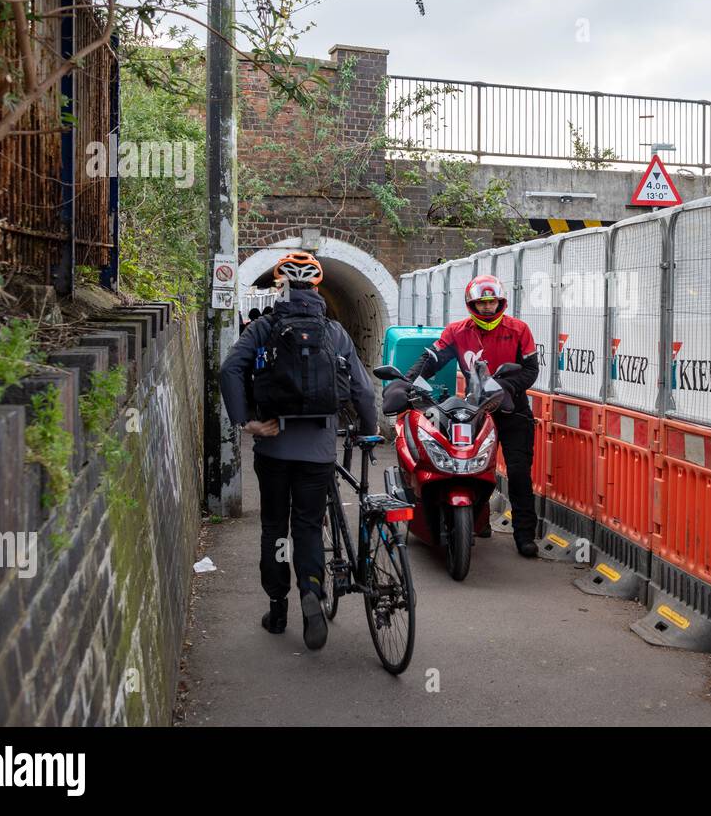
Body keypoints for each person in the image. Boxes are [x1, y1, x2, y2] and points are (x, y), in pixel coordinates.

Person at [220, 250, 378, 650]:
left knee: (275, 526)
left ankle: (277, 609)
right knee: (307, 525)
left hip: (273, 446)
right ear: (317, 288)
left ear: (281, 286)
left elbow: (230, 370)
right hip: (319, 452)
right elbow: (361, 389)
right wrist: (369, 429)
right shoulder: (334, 331)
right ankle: (311, 589)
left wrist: (247, 422)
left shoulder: (264, 328)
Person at [404, 274, 540, 557]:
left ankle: (525, 536)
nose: (488, 308)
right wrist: (407, 381)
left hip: (513, 409)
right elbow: (432, 359)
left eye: (492, 303)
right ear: (471, 304)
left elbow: (530, 371)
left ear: (501, 302)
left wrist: (505, 387)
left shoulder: (519, 329)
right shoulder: (457, 331)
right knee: (472, 466)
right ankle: (478, 521)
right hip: (474, 410)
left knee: (518, 472)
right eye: (482, 303)